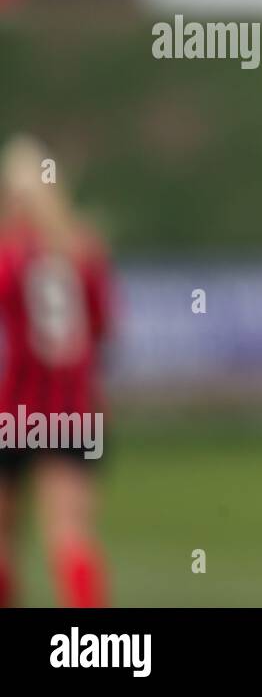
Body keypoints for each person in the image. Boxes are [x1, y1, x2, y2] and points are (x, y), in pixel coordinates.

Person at [0, 135, 114, 607]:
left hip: (17, 409)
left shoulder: (8, 256)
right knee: (70, 533)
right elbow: (103, 328)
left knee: (6, 535)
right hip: (75, 409)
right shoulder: (84, 252)